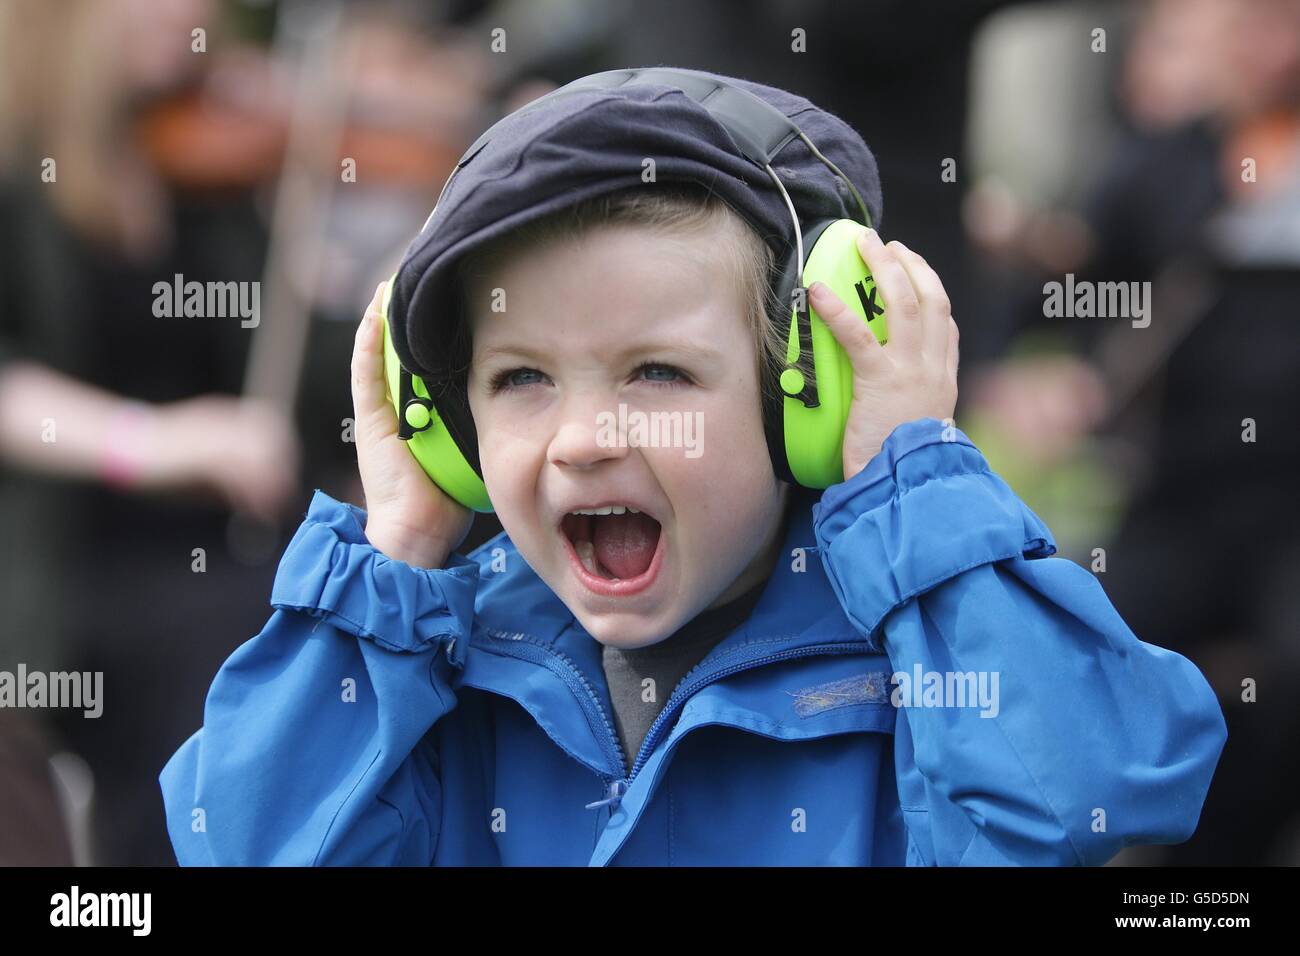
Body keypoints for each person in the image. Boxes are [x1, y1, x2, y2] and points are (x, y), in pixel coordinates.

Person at [159, 69, 1226, 866]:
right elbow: (239, 843)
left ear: (806, 395)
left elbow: (1090, 788)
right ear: (447, 424)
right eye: (523, 378)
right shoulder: (436, 667)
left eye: (658, 372)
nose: (583, 438)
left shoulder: (919, 650)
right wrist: (390, 560)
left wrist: (914, 484)